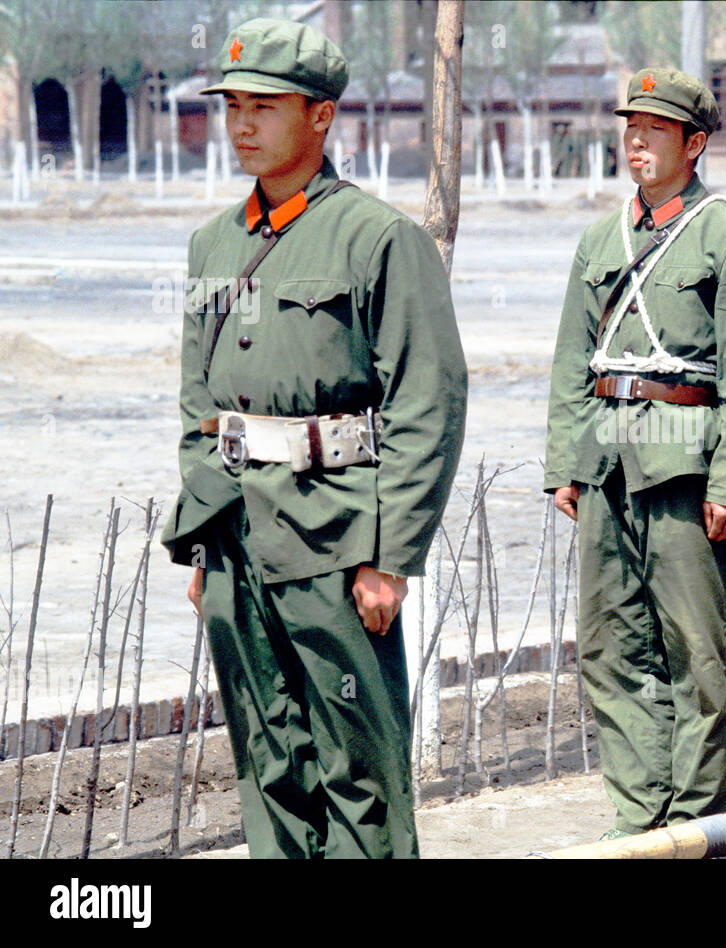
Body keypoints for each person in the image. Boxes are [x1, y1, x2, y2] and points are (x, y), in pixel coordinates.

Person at [160, 18, 466, 858]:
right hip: (236, 538)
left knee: (358, 768)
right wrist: (202, 536)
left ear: (321, 116)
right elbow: (199, 401)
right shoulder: (213, 245)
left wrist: (391, 556)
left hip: (335, 541)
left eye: (265, 105)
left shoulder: (380, 239)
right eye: (232, 108)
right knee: (268, 757)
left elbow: (427, 403)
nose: (242, 125)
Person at [544, 68, 726, 838]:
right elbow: (571, 362)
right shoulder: (599, 239)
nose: (636, 140)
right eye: (630, 127)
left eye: (654, 129)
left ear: (696, 142)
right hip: (609, 462)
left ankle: (701, 819)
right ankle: (640, 811)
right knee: (611, 643)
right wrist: (565, 464)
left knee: (694, 651)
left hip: (686, 461)